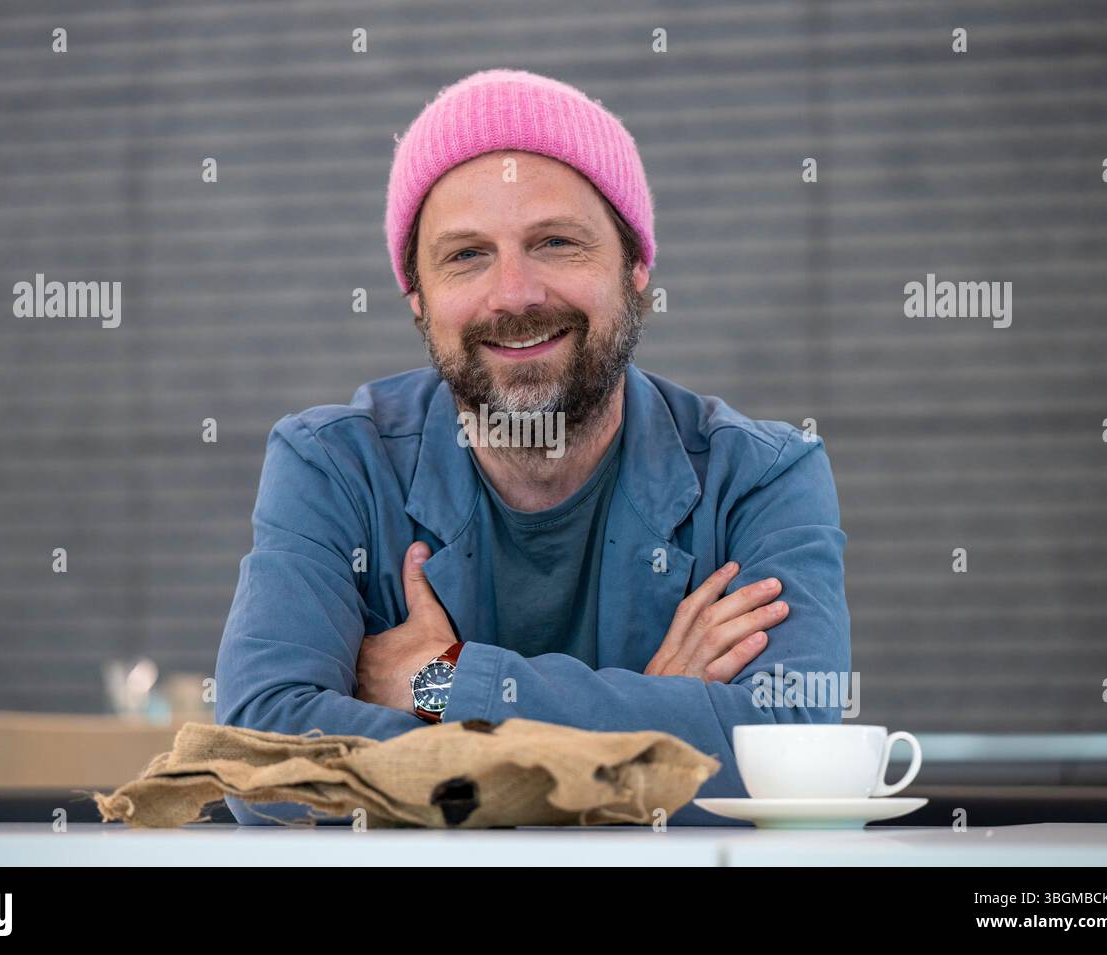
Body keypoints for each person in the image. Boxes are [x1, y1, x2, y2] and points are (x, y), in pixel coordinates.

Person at [214, 69, 850, 826]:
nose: (515, 293)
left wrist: (442, 687)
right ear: (416, 295)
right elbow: (266, 763)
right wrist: (650, 737)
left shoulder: (764, 476)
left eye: (555, 243)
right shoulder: (333, 466)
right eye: (466, 255)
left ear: (636, 266)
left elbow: (793, 762)